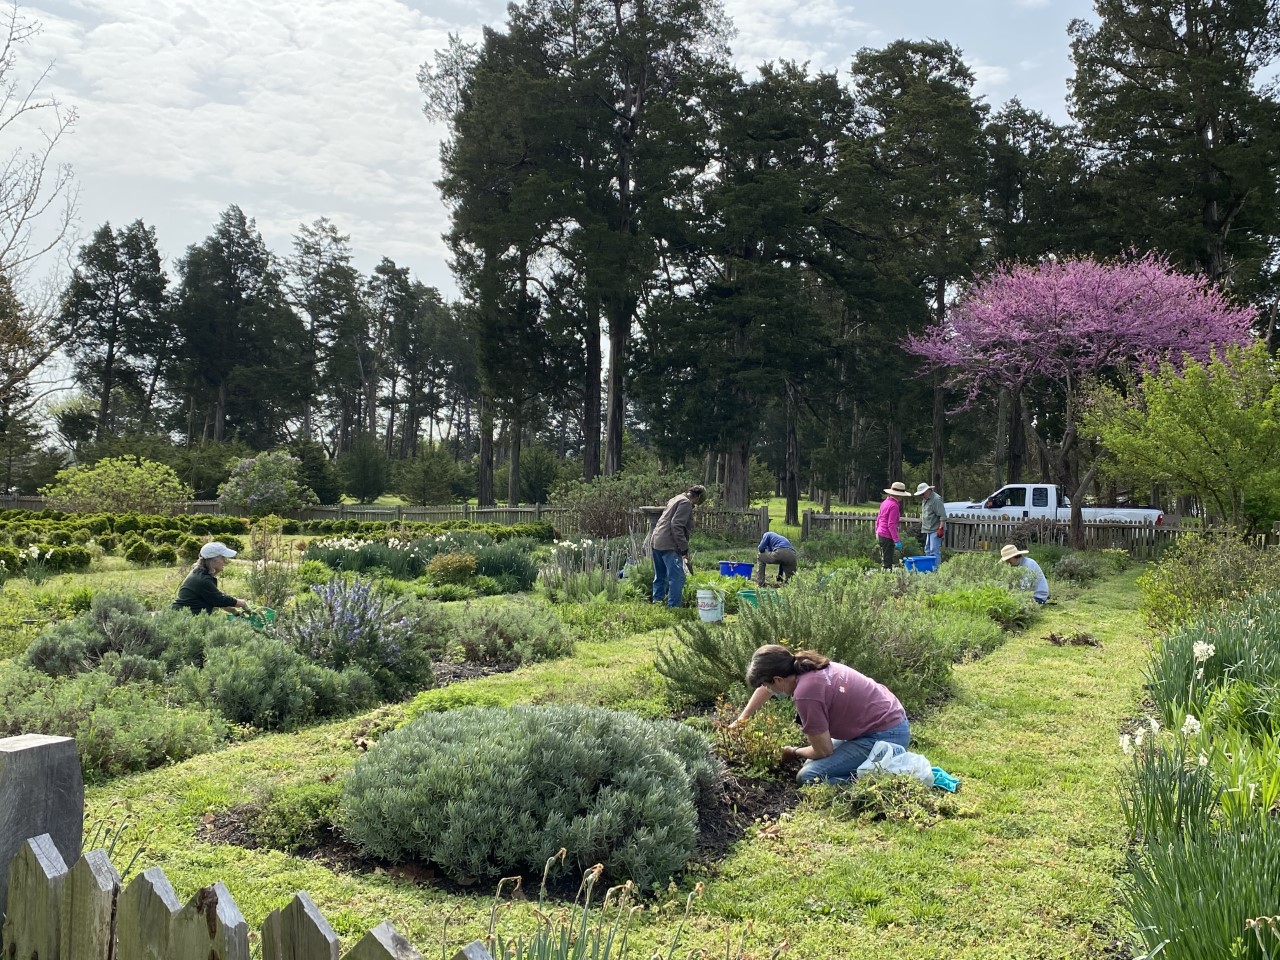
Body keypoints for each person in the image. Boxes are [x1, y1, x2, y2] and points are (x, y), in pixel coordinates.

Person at [739, 644, 910, 785]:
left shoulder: (806, 693)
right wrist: (742, 720)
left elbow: (823, 750)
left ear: (777, 679)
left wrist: (793, 751)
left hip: (886, 735)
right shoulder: (804, 666)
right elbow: (766, 688)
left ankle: (880, 779)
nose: (768, 690)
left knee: (808, 777)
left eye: (768, 685)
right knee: (812, 763)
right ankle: (873, 766)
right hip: (886, 720)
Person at [650, 484, 706, 607]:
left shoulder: (676, 498)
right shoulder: (686, 503)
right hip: (669, 544)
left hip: (656, 540)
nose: (695, 506)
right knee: (677, 577)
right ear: (697, 498)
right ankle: (674, 607)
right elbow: (676, 525)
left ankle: (657, 603)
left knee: (660, 575)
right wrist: (684, 548)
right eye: (697, 504)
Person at [172, 542, 250, 615]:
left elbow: (214, 599)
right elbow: (219, 599)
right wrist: (241, 603)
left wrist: (235, 612)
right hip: (187, 618)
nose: (225, 562)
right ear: (213, 561)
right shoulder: (203, 580)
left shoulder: (199, 573)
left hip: (186, 615)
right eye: (223, 558)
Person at [875, 481, 910, 569]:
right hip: (887, 535)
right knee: (887, 562)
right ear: (899, 495)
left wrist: (877, 531)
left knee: (884, 559)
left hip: (880, 533)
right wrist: (896, 540)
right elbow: (891, 524)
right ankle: (886, 580)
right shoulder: (894, 506)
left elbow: (879, 518)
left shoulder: (885, 503)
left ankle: (884, 578)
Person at [915, 481, 947, 562]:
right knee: (927, 550)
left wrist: (941, 528)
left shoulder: (936, 500)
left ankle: (935, 569)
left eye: (922, 494)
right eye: (920, 494)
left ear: (928, 490)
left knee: (934, 551)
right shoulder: (925, 499)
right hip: (928, 529)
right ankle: (929, 569)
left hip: (935, 529)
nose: (921, 496)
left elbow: (942, 516)